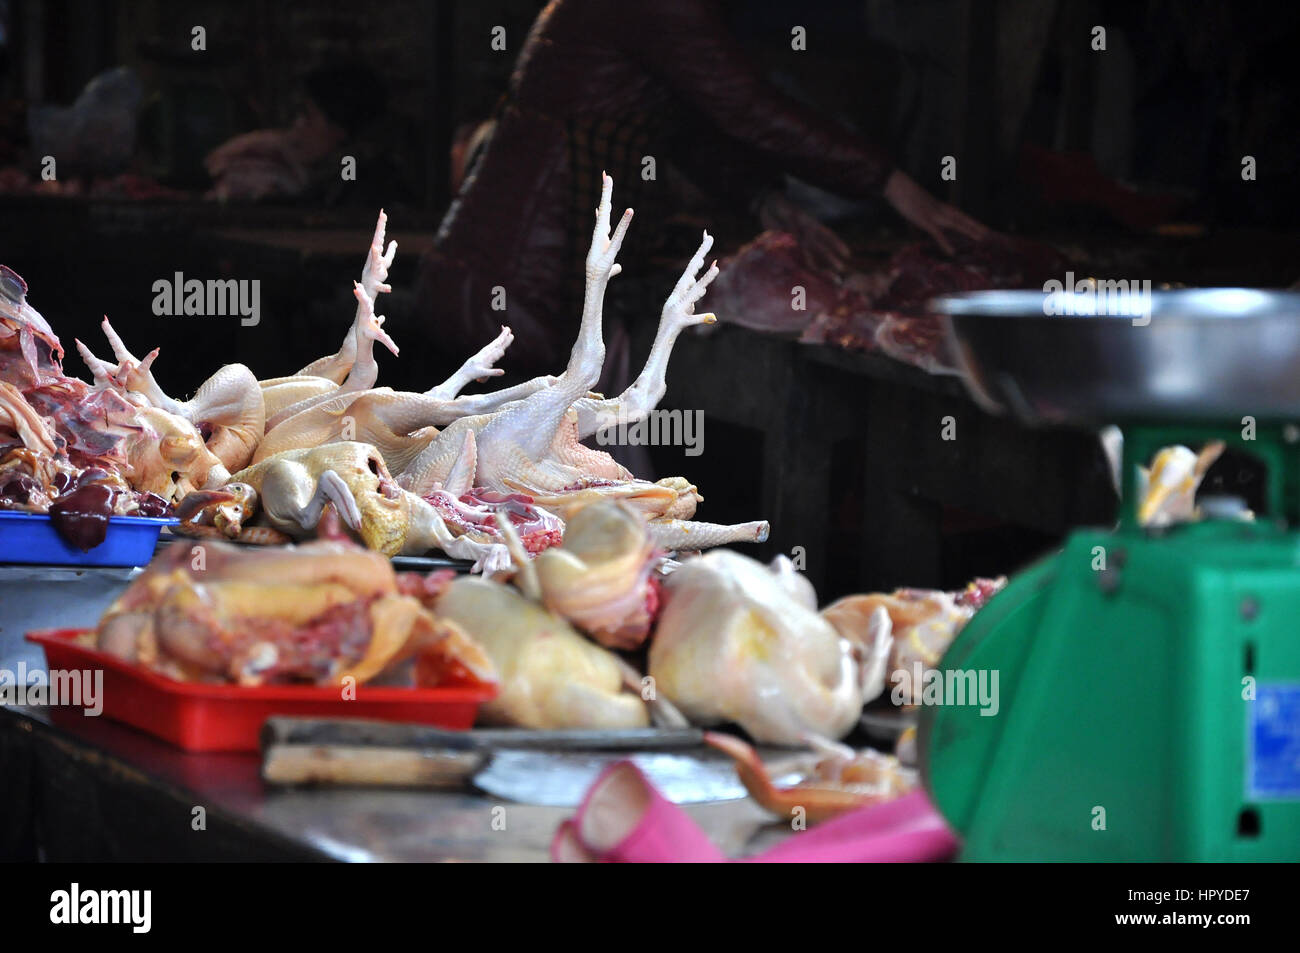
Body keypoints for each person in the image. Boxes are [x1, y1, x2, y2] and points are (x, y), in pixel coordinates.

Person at [416, 0, 988, 377]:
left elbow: (688, 128)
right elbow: (744, 106)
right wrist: (888, 181)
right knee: (500, 500)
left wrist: (767, 201)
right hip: (512, 284)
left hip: (493, 275)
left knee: (505, 496)